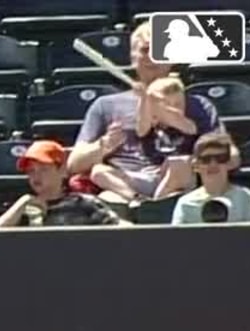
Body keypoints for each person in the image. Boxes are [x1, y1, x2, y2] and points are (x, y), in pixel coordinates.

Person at [67, 22, 221, 204]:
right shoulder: (105, 105)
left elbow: (230, 156)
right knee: (105, 192)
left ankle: (156, 205)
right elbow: (74, 164)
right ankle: (140, 202)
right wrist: (104, 145)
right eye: (146, 50)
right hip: (125, 190)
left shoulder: (199, 105)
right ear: (133, 57)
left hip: (177, 189)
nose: (152, 57)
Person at [0, 140, 123, 228]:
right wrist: (22, 204)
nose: (36, 176)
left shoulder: (83, 203)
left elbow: (120, 230)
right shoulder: (22, 207)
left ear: (62, 171)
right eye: (31, 171)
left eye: (44, 169)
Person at [172, 132, 250, 225]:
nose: (213, 164)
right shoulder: (185, 204)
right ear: (196, 166)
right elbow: (176, 234)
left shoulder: (244, 198)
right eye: (206, 159)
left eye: (220, 158)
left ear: (229, 163)